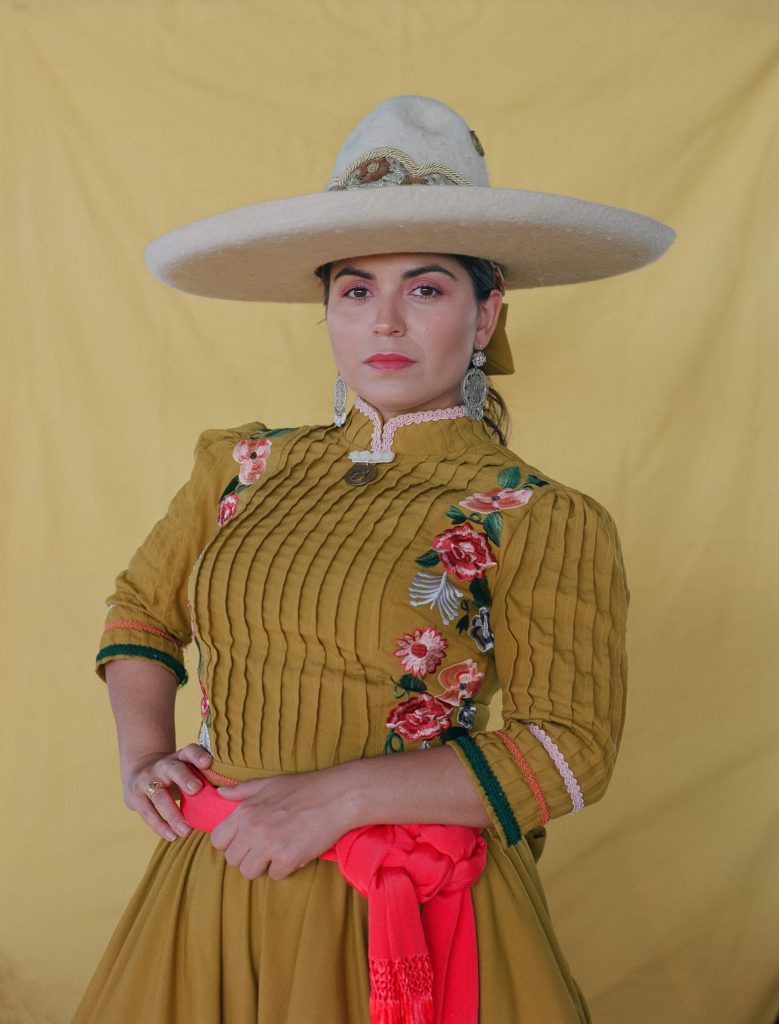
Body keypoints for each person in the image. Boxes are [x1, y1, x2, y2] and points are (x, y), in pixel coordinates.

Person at [74, 96, 674, 1024]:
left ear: (485, 316)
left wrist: (335, 800)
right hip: (222, 876)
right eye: (356, 290)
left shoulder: (537, 514)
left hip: (416, 899)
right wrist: (145, 756)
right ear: (326, 313)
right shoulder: (241, 465)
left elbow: (570, 751)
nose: (384, 323)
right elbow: (141, 611)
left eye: (425, 288)